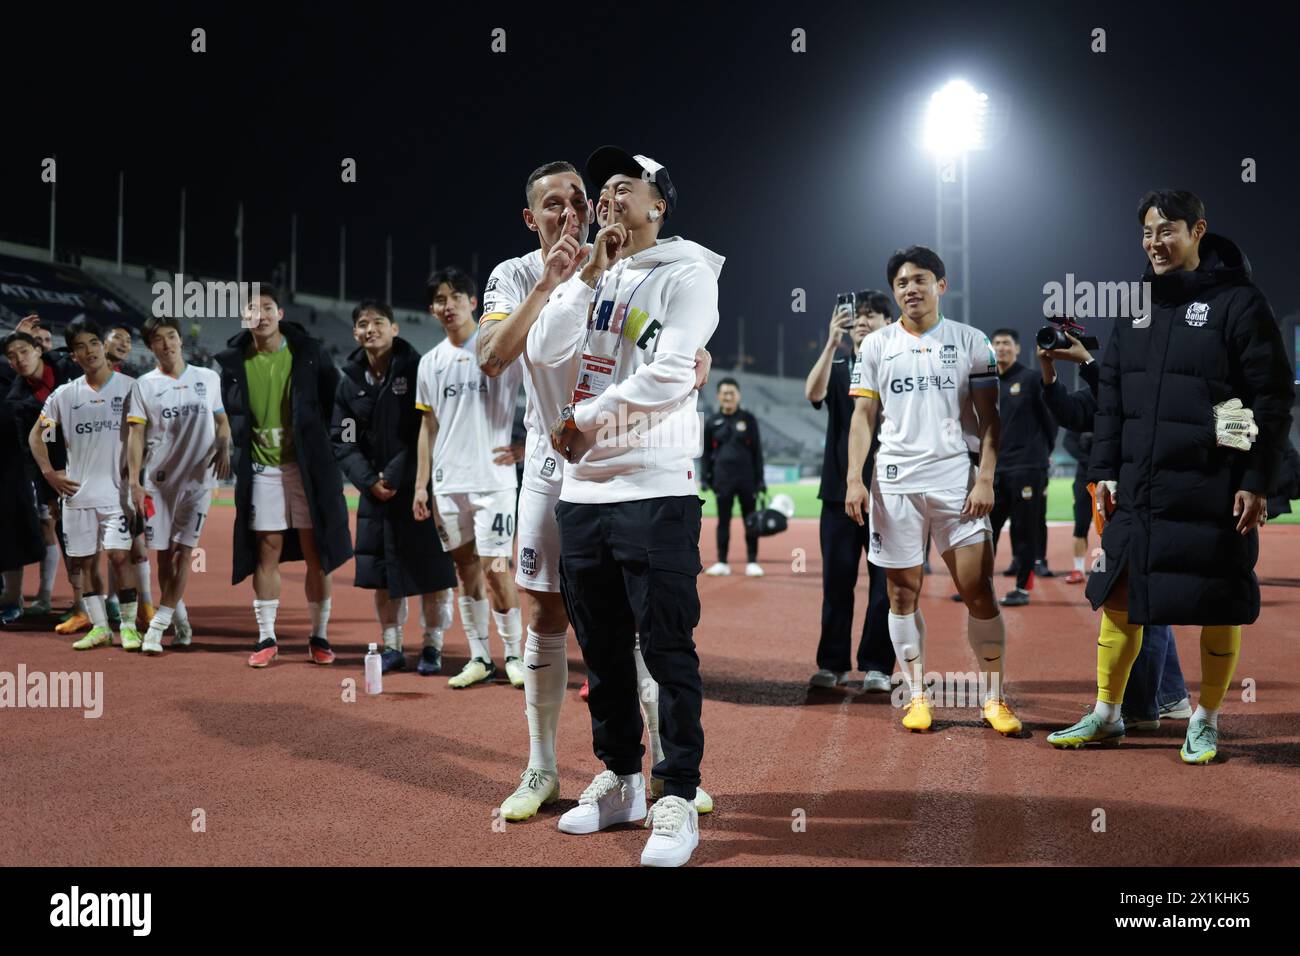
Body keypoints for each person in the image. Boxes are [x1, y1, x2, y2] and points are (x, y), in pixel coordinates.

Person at [476, 160, 715, 822]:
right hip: (552, 468)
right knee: (548, 616)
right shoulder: (514, 273)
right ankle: (543, 768)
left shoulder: (628, 261)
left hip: (618, 461)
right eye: (552, 204)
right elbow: (493, 356)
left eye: (578, 199)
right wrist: (555, 279)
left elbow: (665, 346)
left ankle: (669, 775)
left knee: (634, 622)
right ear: (532, 218)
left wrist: (692, 355)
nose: (570, 211)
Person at [1048, 189, 1293, 763]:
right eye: (1146, 233)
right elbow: (1111, 395)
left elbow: (1272, 396)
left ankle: (1204, 719)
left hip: (1213, 485)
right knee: (1118, 598)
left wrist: (1256, 478)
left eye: (1167, 230)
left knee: (1220, 600)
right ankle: (1108, 715)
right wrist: (1104, 469)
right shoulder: (1136, 305)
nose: (1154, 243)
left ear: (1198, 230)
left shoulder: (1239, 301)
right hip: (1139, 486)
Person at [845, 246, 1021, 736]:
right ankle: (918, 696)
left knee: (978, 590)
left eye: (920, 279)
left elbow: (990, 419)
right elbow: (863, 417)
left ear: (941, 285)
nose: (910, 289)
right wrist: (854, 477)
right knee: (901, 594)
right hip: (896, 483)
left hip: (956, 482)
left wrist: (985, 477)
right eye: (901, 282)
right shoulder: (875, 345)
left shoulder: (971, 341)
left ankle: (994, 699)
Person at [1039, 329, 1191, 732]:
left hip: (1149, 493)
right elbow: (1071, 414)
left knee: (1137, 596)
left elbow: (1127, 401)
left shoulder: (1149, 376)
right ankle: (1172, 695)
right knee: (1144, 596)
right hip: (1119, 496)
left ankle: (1141, 707)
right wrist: (1050, 370)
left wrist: (1088, 363)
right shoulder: (1111, 382)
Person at [217, 286, 353, 668]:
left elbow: (337, 403)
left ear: (279, 313)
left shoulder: (310, 353)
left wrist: (341, 448)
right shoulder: (233, 361)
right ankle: (266, 637)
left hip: (307, 468)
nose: (258, 315)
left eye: (265, 308)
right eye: (250, 310)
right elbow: (230, 411)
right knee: (266, 549)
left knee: (317, 551)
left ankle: (319, 636)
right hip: (262, 468)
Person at [413, 267, 526, 689]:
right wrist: (420, 485)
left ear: (474, 302)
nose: (448, 305)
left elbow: (542, 395)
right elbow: (428, 429)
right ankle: (481, 657)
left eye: (456, 297)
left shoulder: (500, 351)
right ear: (432, 309)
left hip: (493, 480)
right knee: (465, 571)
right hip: (447, 483)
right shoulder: (430, 363)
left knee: (497, 567)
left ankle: (514, 653)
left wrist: (526, 446)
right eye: (440, 300)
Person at [332, 300, 457, 675]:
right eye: (363, 324)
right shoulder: (349, 381)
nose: (370, 329)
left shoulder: (419, 369)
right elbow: (344, 438)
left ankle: (433, 647)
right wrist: (369, 481)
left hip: (419, 488)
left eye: (378, 322)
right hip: (375, 494)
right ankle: (392, 645)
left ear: (395, 328)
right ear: (355, 333)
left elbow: (424, 429)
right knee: (382, 575)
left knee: (434, 572)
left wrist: (394, 475)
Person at [27, 318, 143, 651]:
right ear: (74, 356)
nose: (89, 351)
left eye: (93, 343)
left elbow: (140, 438)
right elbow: (40, 436)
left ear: (103, 347)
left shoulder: (129, 388)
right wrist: (50, 473)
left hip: (116, 494)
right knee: (86, 562)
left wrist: (134, 479)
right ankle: (100, 628)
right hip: (77, 495)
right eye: (80, 346)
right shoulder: (65, 396)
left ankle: (129, 626)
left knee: (120, 558)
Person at [804, 292, 896, 690]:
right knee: (837, 582)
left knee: (884, 586)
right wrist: (830, 343)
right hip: (837, 494)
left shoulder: (896, 365)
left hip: (889, 492)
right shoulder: (839, 365)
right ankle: (833, 663)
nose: (861, 321)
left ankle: (877, 665)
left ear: (888, 323)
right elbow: (813, 394)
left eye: (871, 315)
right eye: (856, 315)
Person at [125, 316, 229, 654]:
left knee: (185, 553)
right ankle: (180, 620)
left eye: (172, 336)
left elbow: (222, 419)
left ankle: (157, 626)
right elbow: (136, 435)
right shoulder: (144, 385)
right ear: (151, 346)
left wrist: (225, 442)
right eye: (159, 339)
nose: (167, 344)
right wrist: (134, 481)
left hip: (198, 481)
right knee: (164, 557)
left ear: (181, 341)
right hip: (158, 483)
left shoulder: (208, 378)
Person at [5, 319, 75, 621]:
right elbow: (31, 447)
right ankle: (78, 602)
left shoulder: (67, 368)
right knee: (66, 535)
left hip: (95, 463)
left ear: (39, 349)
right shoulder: (19, 400)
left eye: (25, 350)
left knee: (111, 539)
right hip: (57, 476)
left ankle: (119, 601)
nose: (19, 359)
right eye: (12, 355)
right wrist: (47, 483)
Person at [987, 328, 1055, 607]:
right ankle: (980, 586)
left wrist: (1040, 456)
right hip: (996, 470)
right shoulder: (988, 384)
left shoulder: (1030, 379)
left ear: (1016, 348)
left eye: (1006, 343)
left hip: (1027, 468)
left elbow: (1050, 420)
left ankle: (1022, 588)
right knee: (986, 531)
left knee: (1025, 531)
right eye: (997, 344)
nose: (1001, 348)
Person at [701, 378, 765, 577]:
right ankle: (722, 562)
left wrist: (760, 479)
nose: (728, 396)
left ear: (738, 395)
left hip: (747, 480)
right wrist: (704, 477)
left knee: (751, 521)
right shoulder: (712, 422)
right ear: (718, 396)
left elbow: (757, 451)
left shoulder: (748, 419)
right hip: (722, 480)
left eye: (732, 393)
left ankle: (752, 562)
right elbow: (705, 454)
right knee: (723, 521)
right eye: (724, 393)